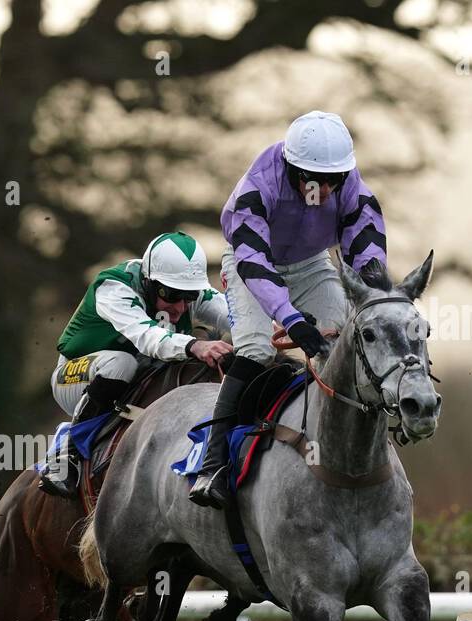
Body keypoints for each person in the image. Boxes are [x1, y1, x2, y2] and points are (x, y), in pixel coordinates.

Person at [189, 110, 389, 508]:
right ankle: (213, 464)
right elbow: (255, 264)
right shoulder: (257, 187)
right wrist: (292, 319)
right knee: (258, 349)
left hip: (312, 263)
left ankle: (340, 447)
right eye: (317, 182)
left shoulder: (351, 186)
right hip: (252, 262)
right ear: (292, 168)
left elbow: (366, 251)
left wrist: (375, 294)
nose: (327, 191)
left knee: (337, 343)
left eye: (335, 181)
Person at [40, 231, 233, 498]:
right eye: (171, 295)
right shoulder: (114, 287)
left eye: (188, 296)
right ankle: (66, 453)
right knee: (121, 363)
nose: (180, 307)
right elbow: (147, 337)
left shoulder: (186, 292)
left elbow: (233, 315)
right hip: (74, 375)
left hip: (139, 372)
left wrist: (282, 327)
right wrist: (195, 345)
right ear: (149, 282)